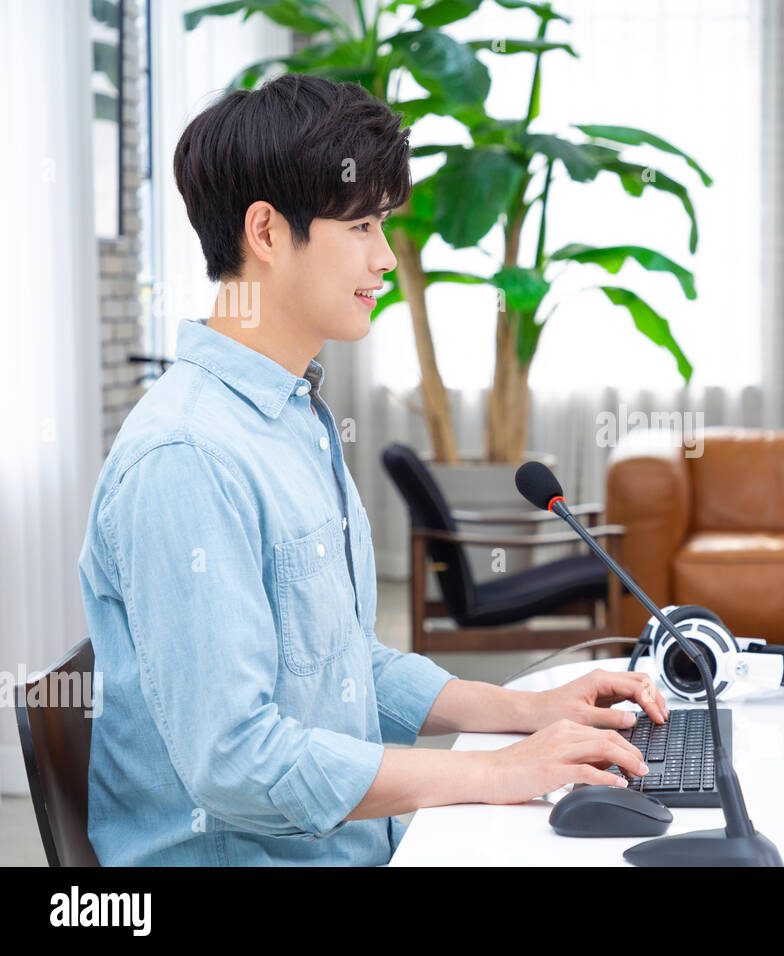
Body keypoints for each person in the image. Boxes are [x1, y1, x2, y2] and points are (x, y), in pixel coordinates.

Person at [76, 73, 666, 866]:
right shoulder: (188, 459)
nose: (386, 257)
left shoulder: (293, 418)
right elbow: (236, 762)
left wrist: (524, 713)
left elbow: (347, 666)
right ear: (267, 232)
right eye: (361, 225)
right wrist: (494, 772)